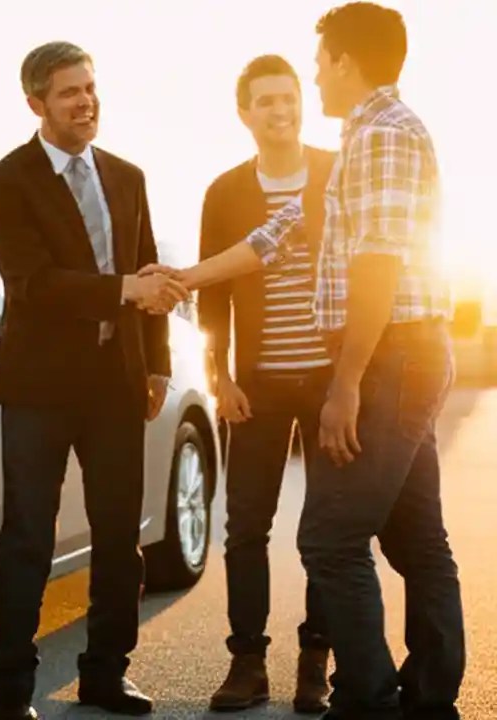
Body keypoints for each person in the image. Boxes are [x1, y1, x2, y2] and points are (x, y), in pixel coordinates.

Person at [148, 4, 464, 718]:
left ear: (348, 62)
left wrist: (347, 381)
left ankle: (366, 695)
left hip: (391, 358)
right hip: (387, 358)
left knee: (330, 535)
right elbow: (273, 236)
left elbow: (379, 265)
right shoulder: (363, 139)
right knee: (416, 534)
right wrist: (182, 282)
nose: (314, 78)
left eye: (318, 64)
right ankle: (427, 693)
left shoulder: (381, 136)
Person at [0, 40, 189, 720]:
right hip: (38, 387)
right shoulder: (4, 182)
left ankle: (105, 674)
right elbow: (33, 285)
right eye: (69, 91)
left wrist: (156, 362)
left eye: (90, 87)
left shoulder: (127, 177)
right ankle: (13, 694)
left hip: (116, 383)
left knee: (120, 532)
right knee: (28, 537)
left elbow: (149, 272)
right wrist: (124, 289)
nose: (85, 100)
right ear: (36, 103)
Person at [198, 54, 335, 715]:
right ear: (244, 113)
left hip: (331, 382)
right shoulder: (225, 191)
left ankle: (317, 663)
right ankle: (247, 664)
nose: (282, 110)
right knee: (246, 525)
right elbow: (212, 294)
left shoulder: (337, 172)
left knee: (329, 527)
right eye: (267, 102)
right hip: (256, 384)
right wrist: (219, 377)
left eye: (290, 97)